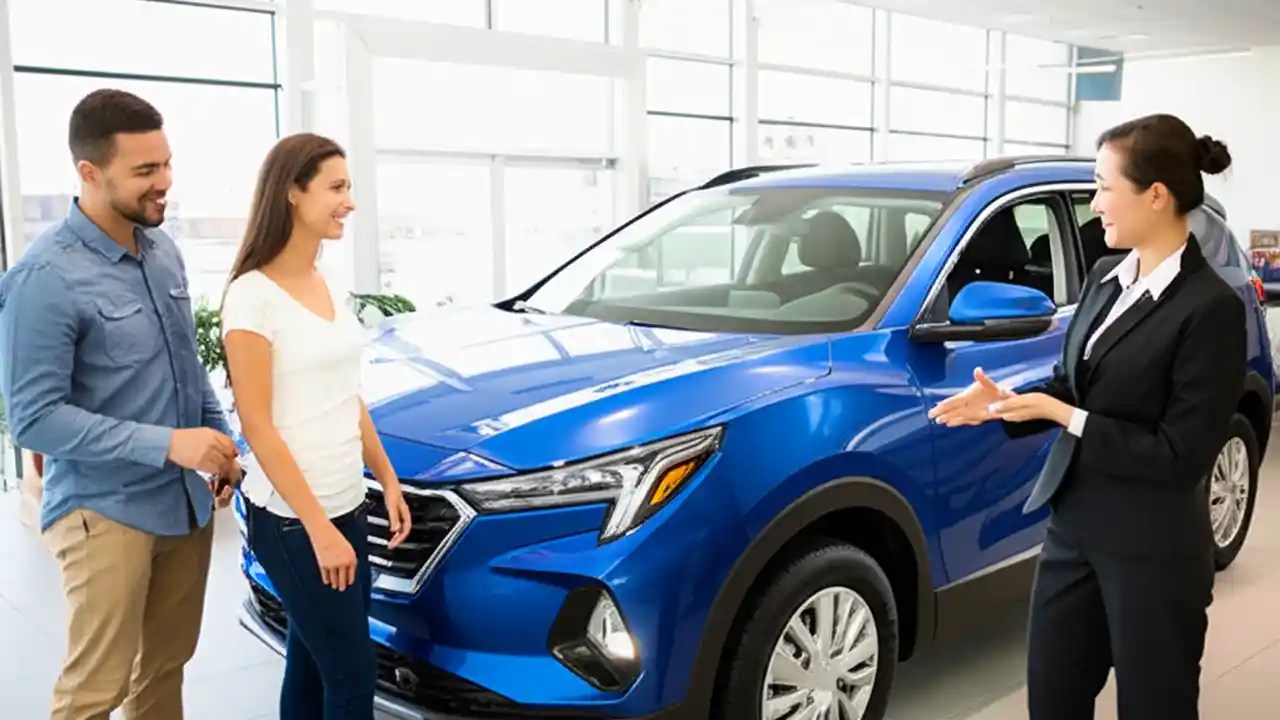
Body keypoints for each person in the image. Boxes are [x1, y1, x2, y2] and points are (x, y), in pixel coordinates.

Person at [929, 113, 1243, 720]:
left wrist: (1066, 416)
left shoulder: (1211, 311)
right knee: (1053, 699)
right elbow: (1077, 383)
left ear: (1156, 196)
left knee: (1156, 706)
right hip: (1074, 528)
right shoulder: (1106, 277)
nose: (1094, 203)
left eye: (1103, 186)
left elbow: (1181, 456)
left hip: (1153, 550)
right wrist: (1000, 403)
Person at [0, 88, 241, 719]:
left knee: (163, 673)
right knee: (94, 692)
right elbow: (34, 418)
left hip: (183, 506)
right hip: (104, 513)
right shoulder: (43, 279)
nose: (164, 183)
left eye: (165, 165)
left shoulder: (163, 252)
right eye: (144, 171)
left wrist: (218, 442)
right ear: (89, 172)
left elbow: (186, 365)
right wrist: (168, 444)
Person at [220, 132, 412, 719]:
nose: (349, 201)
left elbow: (344, 394)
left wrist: (386, 476)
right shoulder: (251, 298)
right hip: (294, 521)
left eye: (348, 187)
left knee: (309, 663)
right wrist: (319, 529)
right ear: (292, 194)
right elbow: (257, 425)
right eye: (336, 187)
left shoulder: (325, 285)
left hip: (346, 502)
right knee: (352, 680)